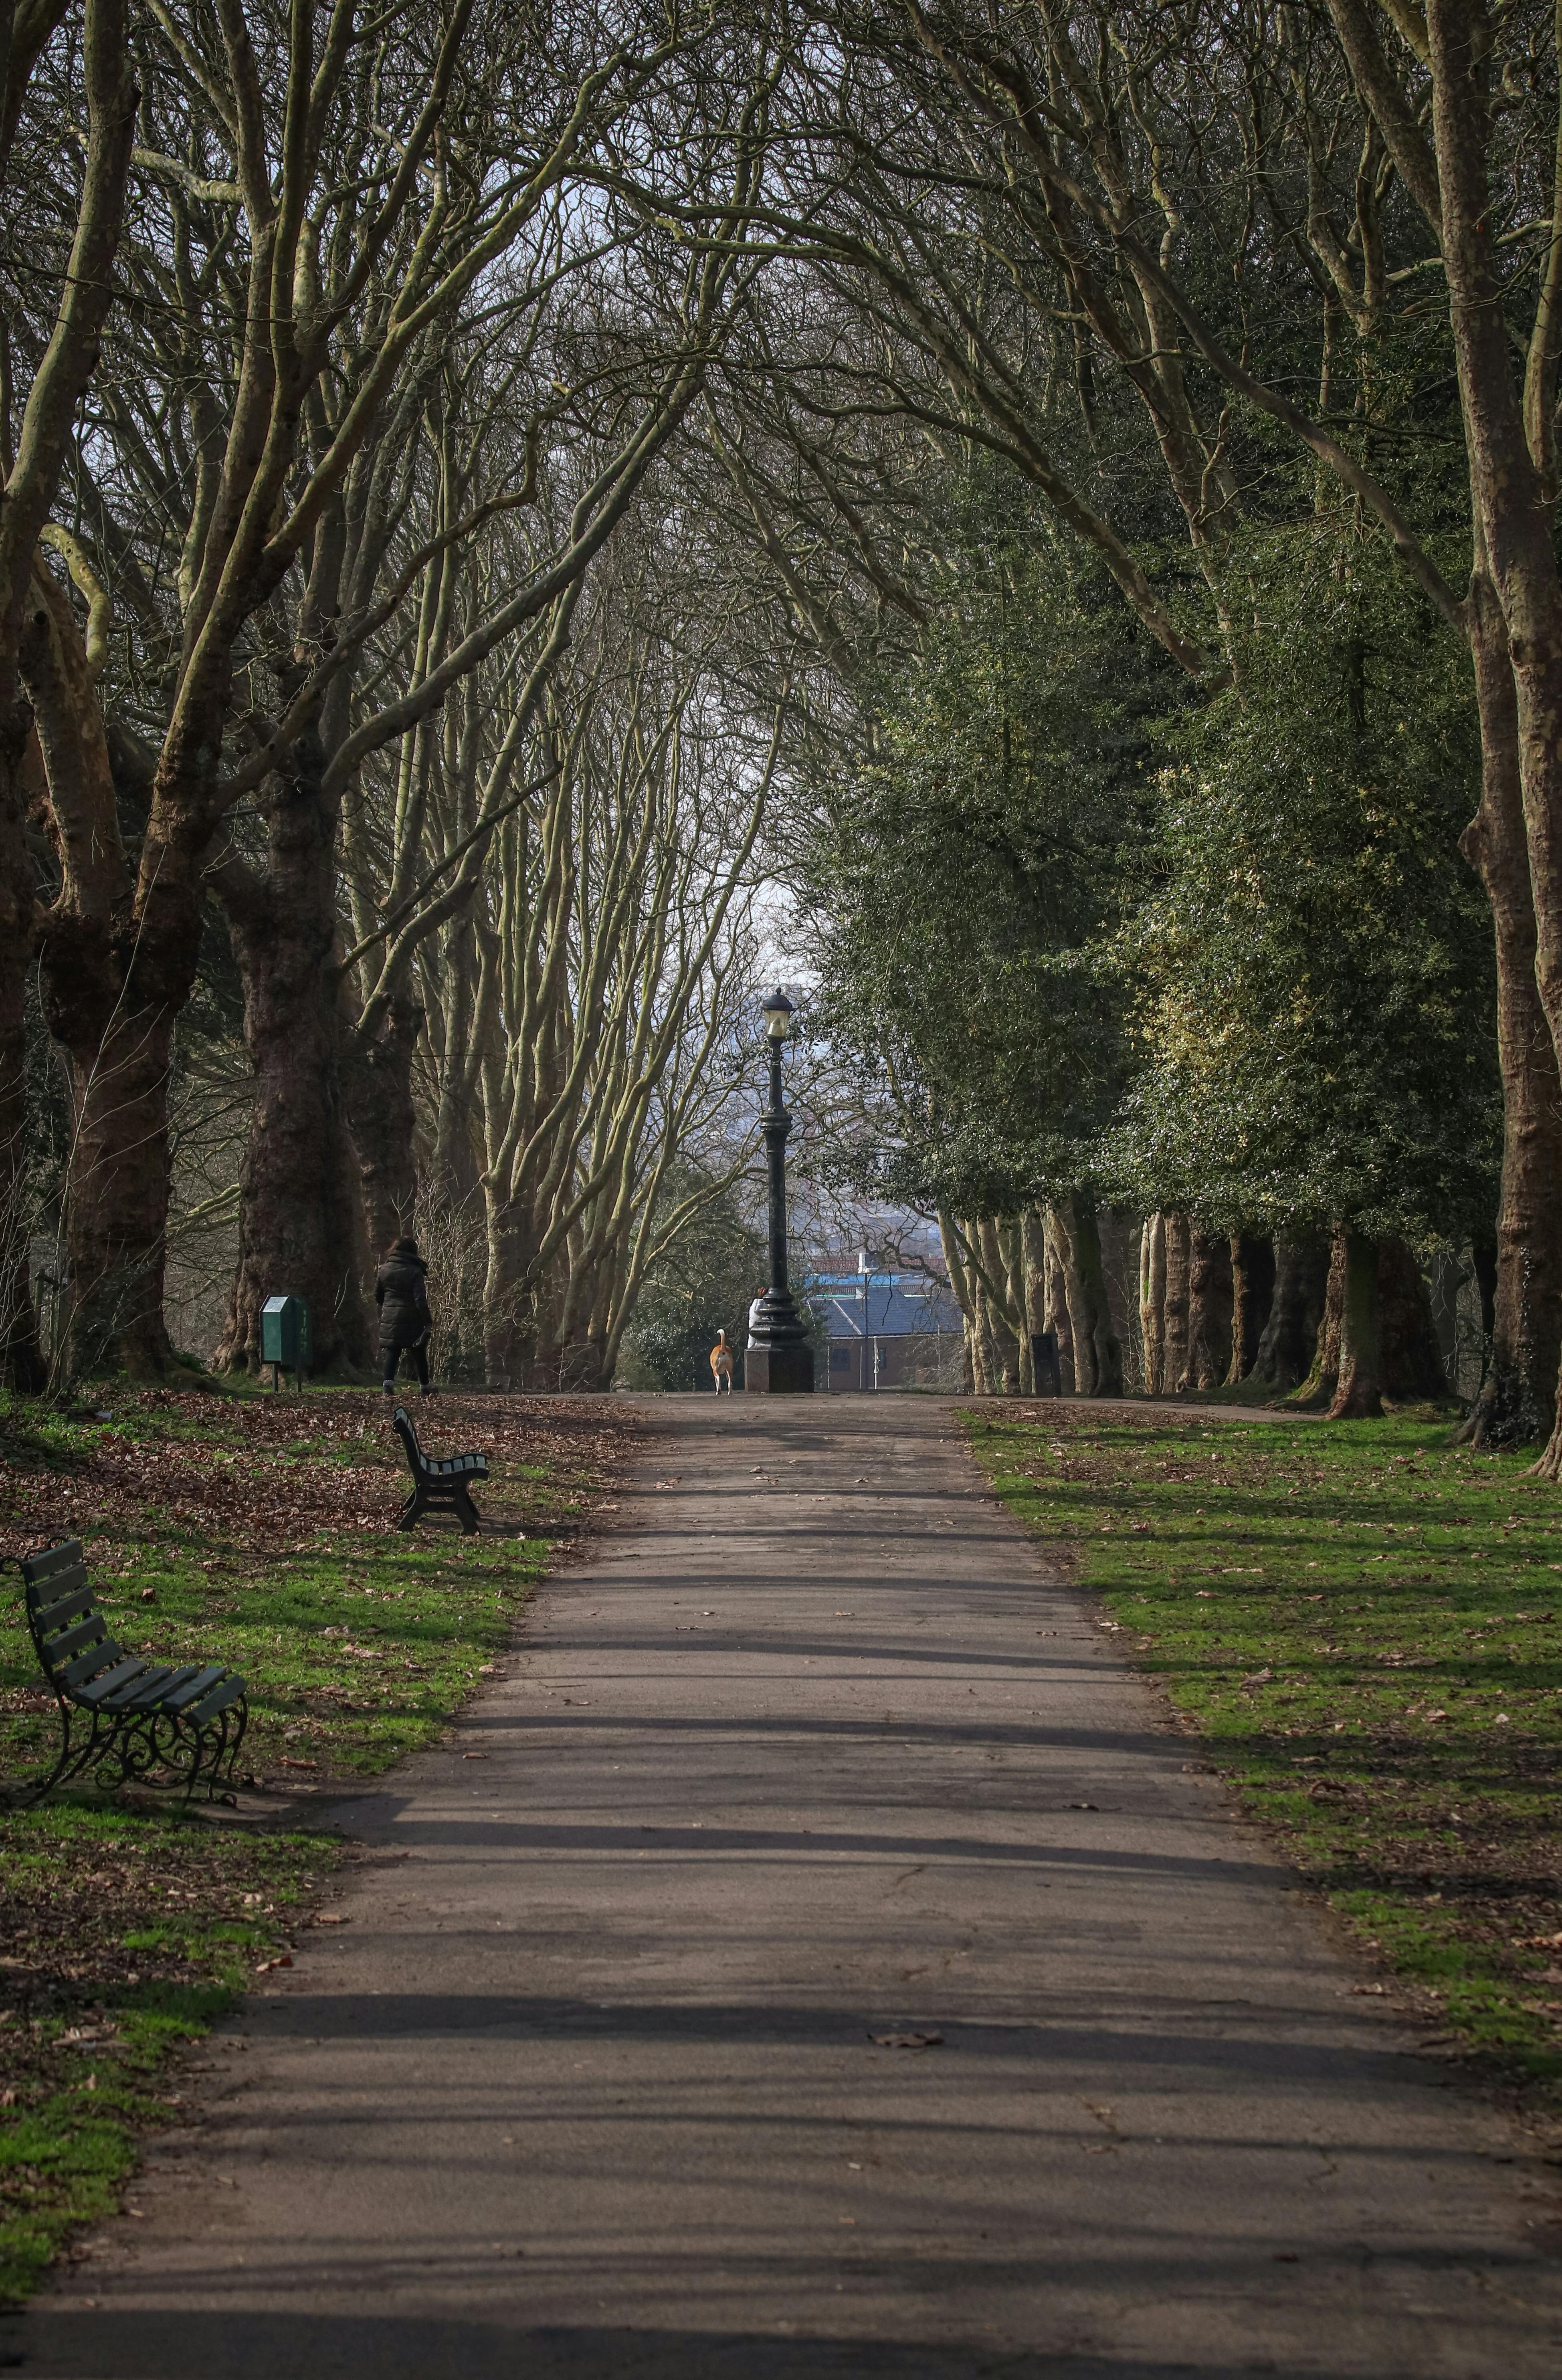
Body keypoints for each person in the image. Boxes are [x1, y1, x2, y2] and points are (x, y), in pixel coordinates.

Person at [376, 1236, 435, 1396]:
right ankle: (425, 1386)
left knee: (393, 1351)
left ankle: (387, 1385)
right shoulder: (416, 1271)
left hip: (390, 1316)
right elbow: (420, 1299)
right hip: (412, 1317)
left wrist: (388, 1308)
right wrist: (428, 1321)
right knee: (418, 1352)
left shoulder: (384, 1269)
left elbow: (379, 1296)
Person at [709, 1329, 735, 1394]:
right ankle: (730, 1390)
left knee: (715, 1372)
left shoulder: (714, 1352)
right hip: (727, 1354)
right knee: (729, 1372)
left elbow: (714, 1370)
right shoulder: (728, 1349)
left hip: (718, 1355)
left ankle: (718, 1389)